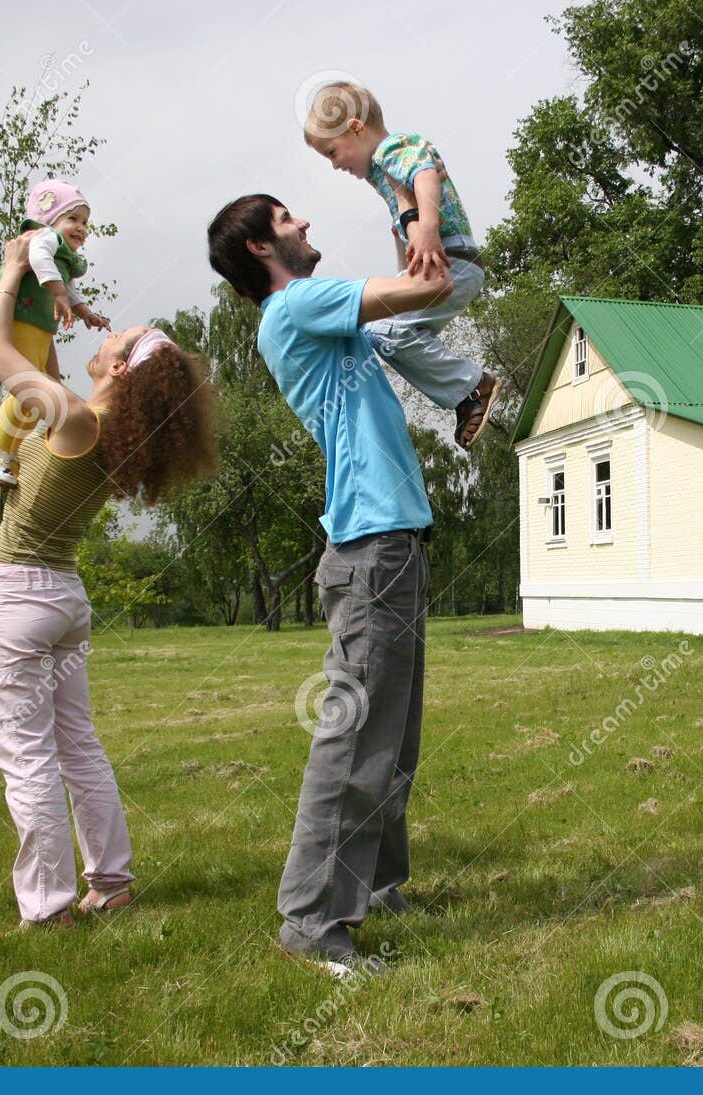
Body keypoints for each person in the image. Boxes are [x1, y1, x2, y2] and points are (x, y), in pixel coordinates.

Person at [207, 193, 447, 976]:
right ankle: (310, 919)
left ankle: (376, 886)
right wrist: (426, 219)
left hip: (389, 545)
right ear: (257, 249)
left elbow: (403, 323)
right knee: (353, 738)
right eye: (285, 218)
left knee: (393, 738)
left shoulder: (311, 313)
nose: (304, 222)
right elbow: (426, 291)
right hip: (372, 550)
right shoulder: (297, 303)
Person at [0, 231, 216, 928]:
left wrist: (11, 270)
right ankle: (110, 881)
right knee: (76, 744)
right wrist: (45, 304)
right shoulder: (99, 426)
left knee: (26, 756)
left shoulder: (78, 419)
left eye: (123, 336)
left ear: (121, 368)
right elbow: (35, 360)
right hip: (63, 600)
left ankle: (48, 908)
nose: (112, 332)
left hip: (19, 597)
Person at [302, 81, 501, 450]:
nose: (334, 165)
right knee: (386, 330)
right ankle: (466, 391)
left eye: (332, 152)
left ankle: (474, 385)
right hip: (449, 262)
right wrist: (404, 270)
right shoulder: (381, 173)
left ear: (357, 128)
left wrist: (426, 227)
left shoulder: (391, 149)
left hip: (453, 260)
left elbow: (425, 173)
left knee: (385, 332)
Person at [0, 180, 111, 487]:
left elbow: (70, 289)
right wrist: (59, 295)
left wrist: (84, 311)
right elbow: (37, 257)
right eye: (73, 219)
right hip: (24, 320)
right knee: (30, 391)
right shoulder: (45, 238)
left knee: (37, 398)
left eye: (85, 222)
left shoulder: (63, 261)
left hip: (39, 328)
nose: (81, 228)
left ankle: (8, 452)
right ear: (50, 219)